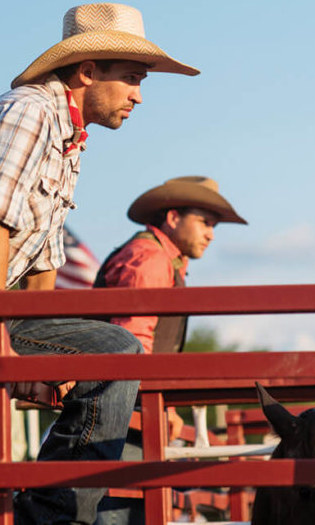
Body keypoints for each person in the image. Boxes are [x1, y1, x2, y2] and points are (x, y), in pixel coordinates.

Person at [0, 3, 199, 525]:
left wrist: (40, 345)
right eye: (133, 79)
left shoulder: (68, 140)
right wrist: (6, 339)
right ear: (88, 71)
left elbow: (44, 258)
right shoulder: (31, 112)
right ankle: (49, 515)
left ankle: (43, 512)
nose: (139, 95)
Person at [93, 176, 246, 525]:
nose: (211, 234)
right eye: (204, 222)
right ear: (174, 218)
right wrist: (156, 402)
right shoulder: (150, 258)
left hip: (120, 406)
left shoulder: (163, 259)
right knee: (120, 511)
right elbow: (132, 340)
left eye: (214, 226)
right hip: (121, 411)